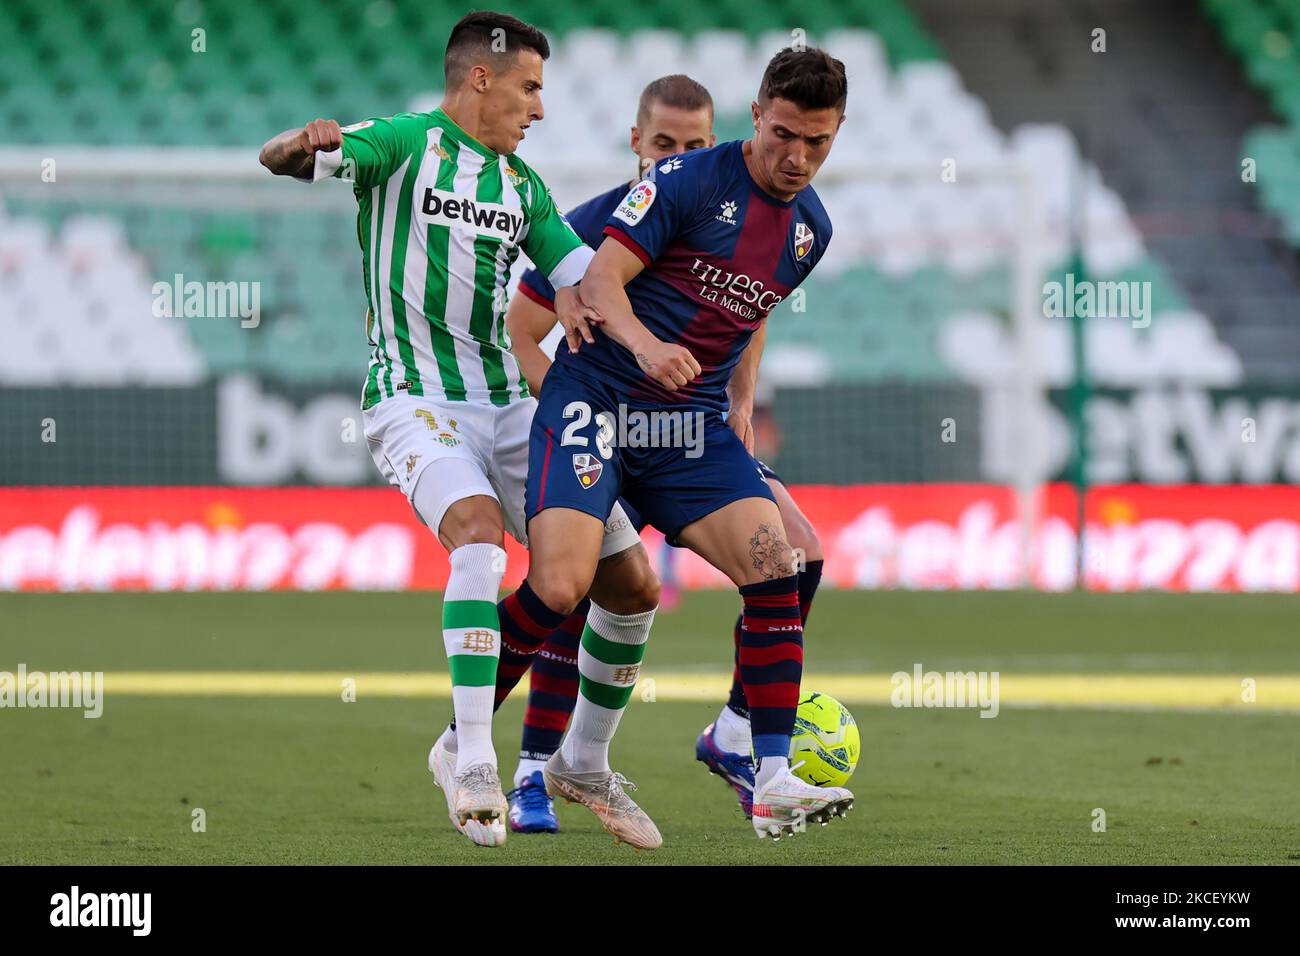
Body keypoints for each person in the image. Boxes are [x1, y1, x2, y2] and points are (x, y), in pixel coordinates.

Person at [258, 10, 658, 848]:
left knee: (628, 582)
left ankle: (581, 759)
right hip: (415, 396)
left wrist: (650, 344)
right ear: (482, 78)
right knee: (478, 537)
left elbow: (583, 278)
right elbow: (286, 159)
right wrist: (302, 143)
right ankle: (472, 753)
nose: (539, 109)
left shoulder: (522, 188)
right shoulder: (404, 143)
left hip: (513, 402)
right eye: (530, 87)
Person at [521, 47, 853, 842]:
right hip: (599, 413)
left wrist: (741, 396)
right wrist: (570, 429)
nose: (797, 156)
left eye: (818, 142)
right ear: (639, 142)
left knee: (793, 555)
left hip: (688, 426)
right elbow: (526, 328)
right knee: (581, 589)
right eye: (783, 136)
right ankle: (529, 766)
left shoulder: (808, 229)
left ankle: (749, 749)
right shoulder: (624, 209)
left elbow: (753, 305)